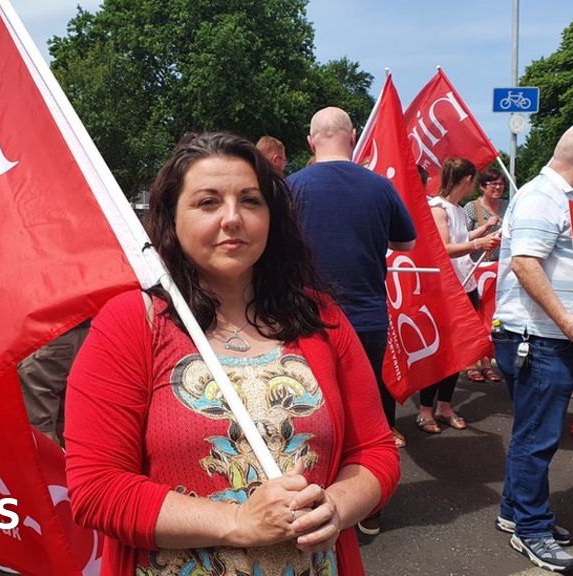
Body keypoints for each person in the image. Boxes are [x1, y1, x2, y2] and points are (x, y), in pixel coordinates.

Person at [64, 132, 400, 575]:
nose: (232, 218)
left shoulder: (321, 317)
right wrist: (238, 522)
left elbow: (375, 450)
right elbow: (98, 488)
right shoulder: (130, 323)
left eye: (250, 201)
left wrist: (336, 507)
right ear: (171, 218)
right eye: (207, 202)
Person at [492, 119, 573, 574]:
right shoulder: (544, 197)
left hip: (544, 338)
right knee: (537, 437)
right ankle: (532, 529)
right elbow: (525, 263)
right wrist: (566, 320)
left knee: (532, 431)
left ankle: (515, 510)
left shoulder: (560, 199)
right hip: (538, 337)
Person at [287, 106, 416, 466]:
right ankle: (370, 505)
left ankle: (317, 487)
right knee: (368, 409)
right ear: (353, 136)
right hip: (367, 317)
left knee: (309, 407)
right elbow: (406, 243)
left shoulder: (290, 187)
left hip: (304, 317)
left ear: (311, 141)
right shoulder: (379, 186)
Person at [418, 158, 500, 434]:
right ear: (466, 181)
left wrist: (485, 232)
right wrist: (478, 242)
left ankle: (444, 405)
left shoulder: (455, 210)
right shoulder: (438, 208)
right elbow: (443, 248)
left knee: (458, 350)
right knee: (440, 350)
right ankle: (426, 409)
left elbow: (459, 237)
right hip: (444, 289)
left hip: (465, 285)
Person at [461, 166, 508, 383]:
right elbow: (462, 239)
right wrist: (486, 227)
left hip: (499, 271)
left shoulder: (508, 208)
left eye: (501, 183)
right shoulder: (472, 208)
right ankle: (471, 362)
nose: (498, 187)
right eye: (493, 184)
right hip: (476, 269)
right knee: (474, 317)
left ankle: (487, 360)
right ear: (482, 186)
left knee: (492, 319)